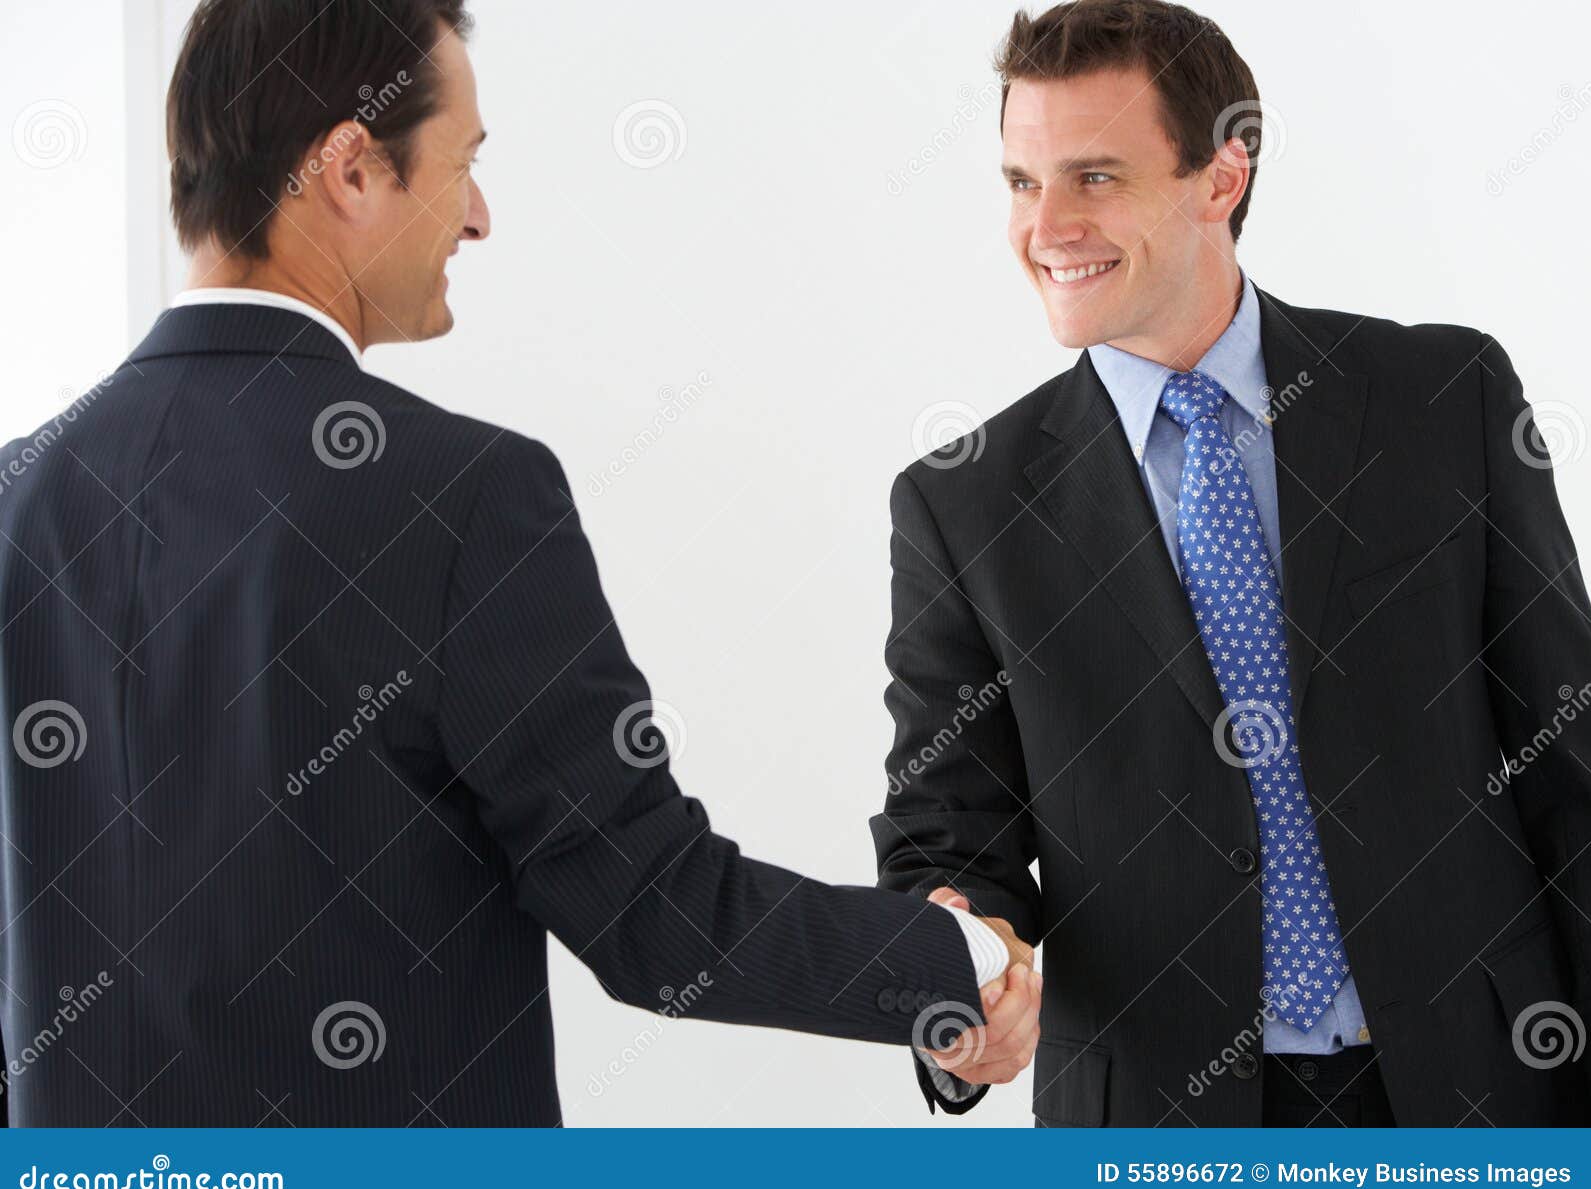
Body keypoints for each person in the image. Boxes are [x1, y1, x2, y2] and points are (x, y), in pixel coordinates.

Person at [0, 0, 1038, 1127]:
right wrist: (956, 961)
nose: (478, 217)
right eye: (463, 164)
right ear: (352, 167)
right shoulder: (461, 496)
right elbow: (651, 911)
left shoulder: (19, 497)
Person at [874, 0, 1591, 1126]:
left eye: (1095, 177)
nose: (1046, 225)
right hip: (1159, 1116)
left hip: (1481, 1084)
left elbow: (1575, 770)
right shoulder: (963, 503)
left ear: (1222, 176)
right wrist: (959, 985)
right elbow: (947, 827)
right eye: (1021, 182)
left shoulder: (1442, 400)